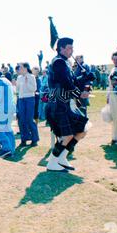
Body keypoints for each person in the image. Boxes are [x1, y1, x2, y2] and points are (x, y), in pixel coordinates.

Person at [45, 37, 90, 172]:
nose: (72, 51)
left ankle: (62, 157)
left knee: (82, 130)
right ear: (61, 48)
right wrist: (79, 94)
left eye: (72, 48)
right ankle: (52, 162)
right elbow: (65, 82)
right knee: (67, 135)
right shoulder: (58, 62)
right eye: (69, 48)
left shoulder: (65, 62)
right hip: (58, 104)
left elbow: (73, 80)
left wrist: (86, 78)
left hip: (65, 103)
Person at [0, 69, 16, 158]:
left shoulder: (0, 82)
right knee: (8, 129)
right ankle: (11, 148)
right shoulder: (7, 81)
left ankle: (6, 148)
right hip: (10, 108)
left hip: (3, 109)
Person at [16, 62, 39, 147]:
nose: (19, 69)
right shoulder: (19, 77)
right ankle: (24, 139)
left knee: (29, 119)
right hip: (21, 99)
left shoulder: (31, 77)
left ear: (26, 68)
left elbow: (33, 89)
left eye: (21, 67)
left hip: (30, 99)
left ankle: (34, 139)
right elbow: (17, 89)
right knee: (22, 120)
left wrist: (27, 83)